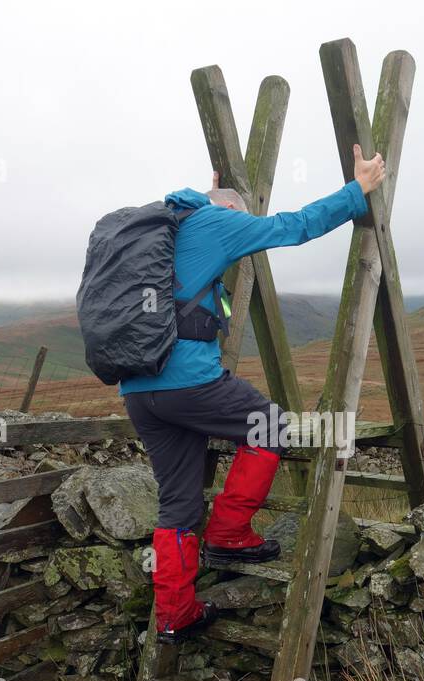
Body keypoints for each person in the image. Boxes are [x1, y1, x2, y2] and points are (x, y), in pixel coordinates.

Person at [125, 146, 387, 643]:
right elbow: (294, 226)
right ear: (228, 209)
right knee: (269, 423)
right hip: (188, 380)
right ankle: (227, 534)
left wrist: (215, 187)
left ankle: (175, 617)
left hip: (139, 389)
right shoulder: (219, 223)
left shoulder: (164, 228)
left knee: (177, 505)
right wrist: (358, 190)